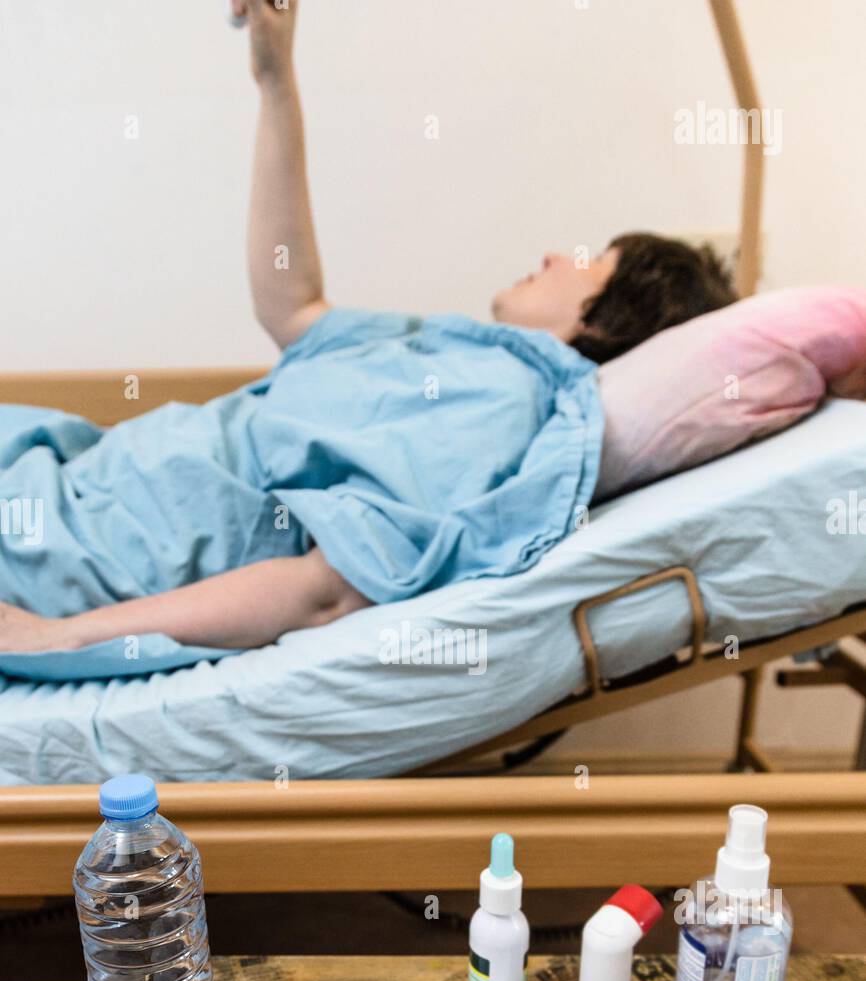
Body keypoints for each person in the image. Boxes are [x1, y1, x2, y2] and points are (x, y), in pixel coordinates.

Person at [0, 0, 734, 658]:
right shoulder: (464, 353)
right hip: (70, 482)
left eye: (589, 259)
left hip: (90, 544)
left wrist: (60, 637)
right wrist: (275, 79)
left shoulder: (500, 403)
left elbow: (324, 588)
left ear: (604, 317)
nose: (552, 255)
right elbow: (294, 307)